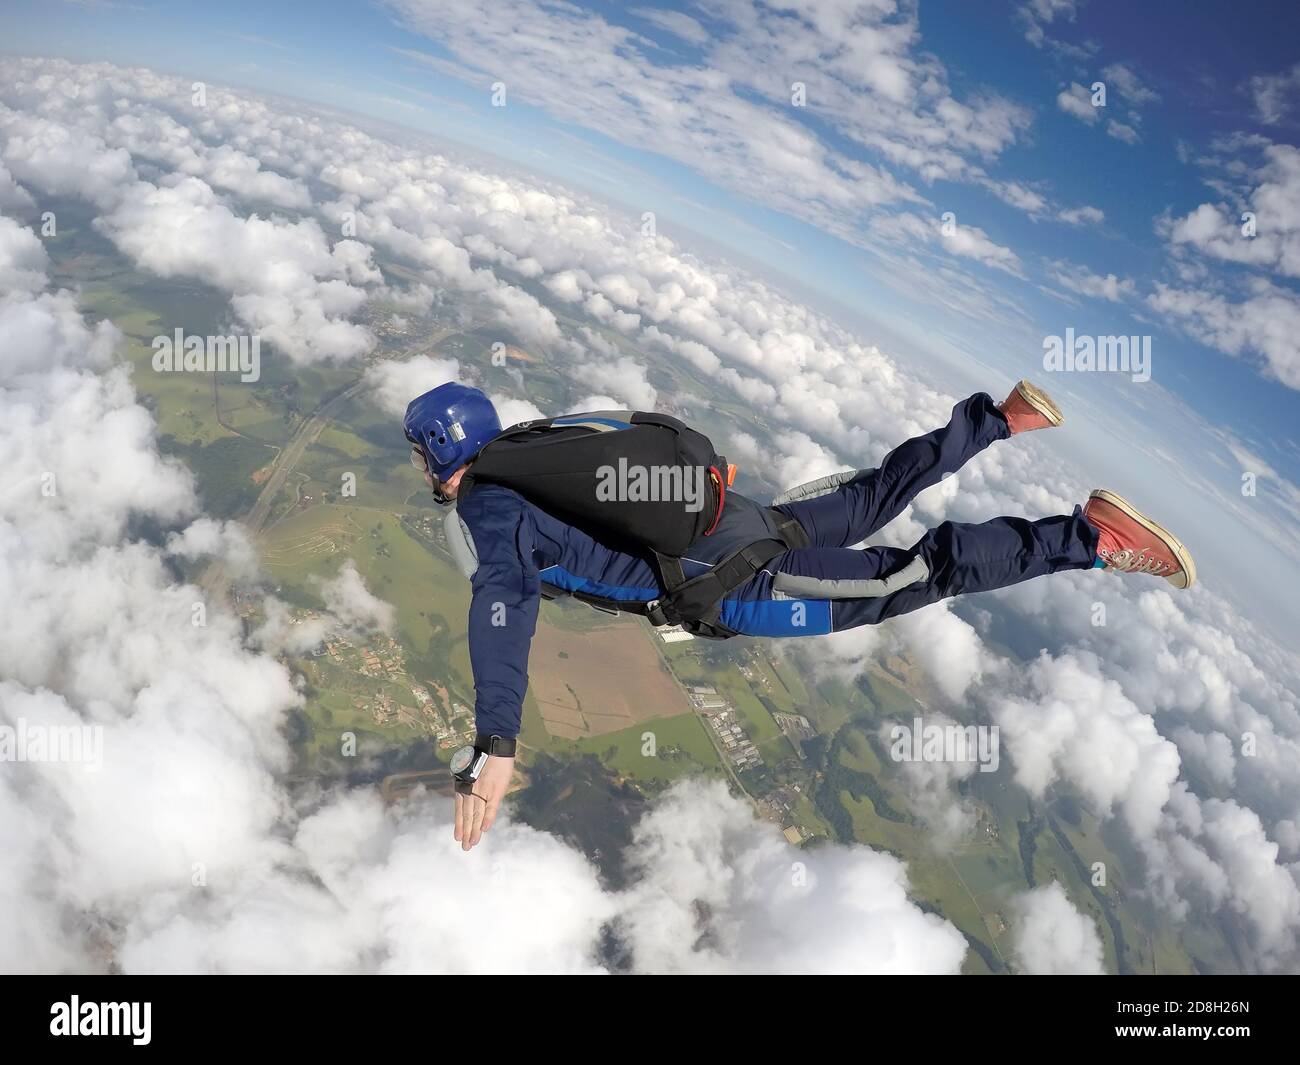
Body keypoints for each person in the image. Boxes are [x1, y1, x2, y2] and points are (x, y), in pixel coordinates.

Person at [404, 380, 1195, 851]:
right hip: (744, 520)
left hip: (744, 580)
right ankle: (997, 417)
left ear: (443, 449)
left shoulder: (485, 508)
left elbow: (501, 601)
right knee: (876, 492)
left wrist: (496, 740)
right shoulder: (539, 445)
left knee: (915, 574)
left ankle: (1092, 536)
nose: (419, 466)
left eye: (420, 451)